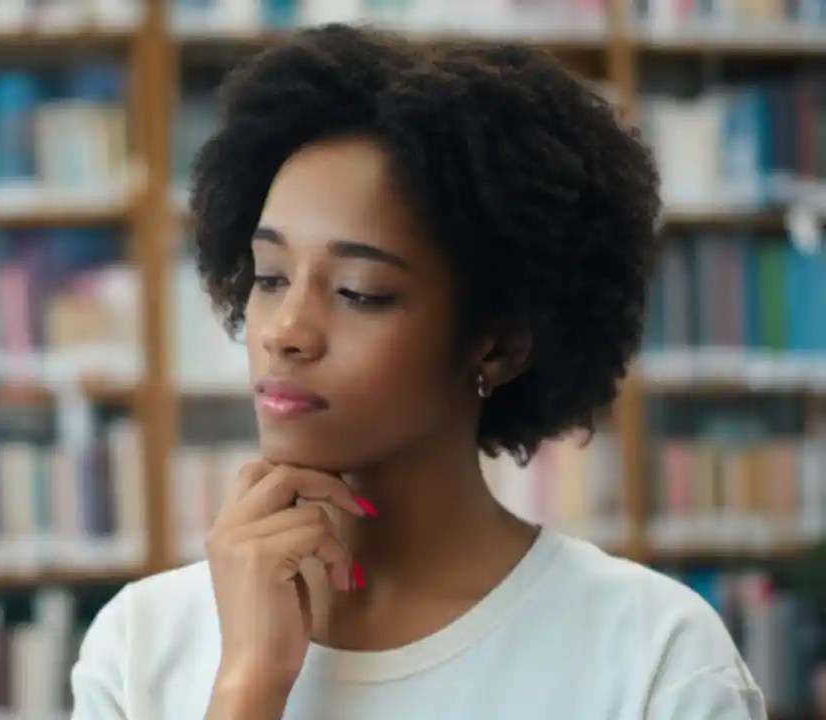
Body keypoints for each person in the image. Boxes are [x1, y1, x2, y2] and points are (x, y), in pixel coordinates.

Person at [71, 23, 765, 720]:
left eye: (359, 292)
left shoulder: (655, 658)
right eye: (271, 277)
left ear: (499, 344)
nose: (285, 333)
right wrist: (248, 684)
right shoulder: (142, 646)